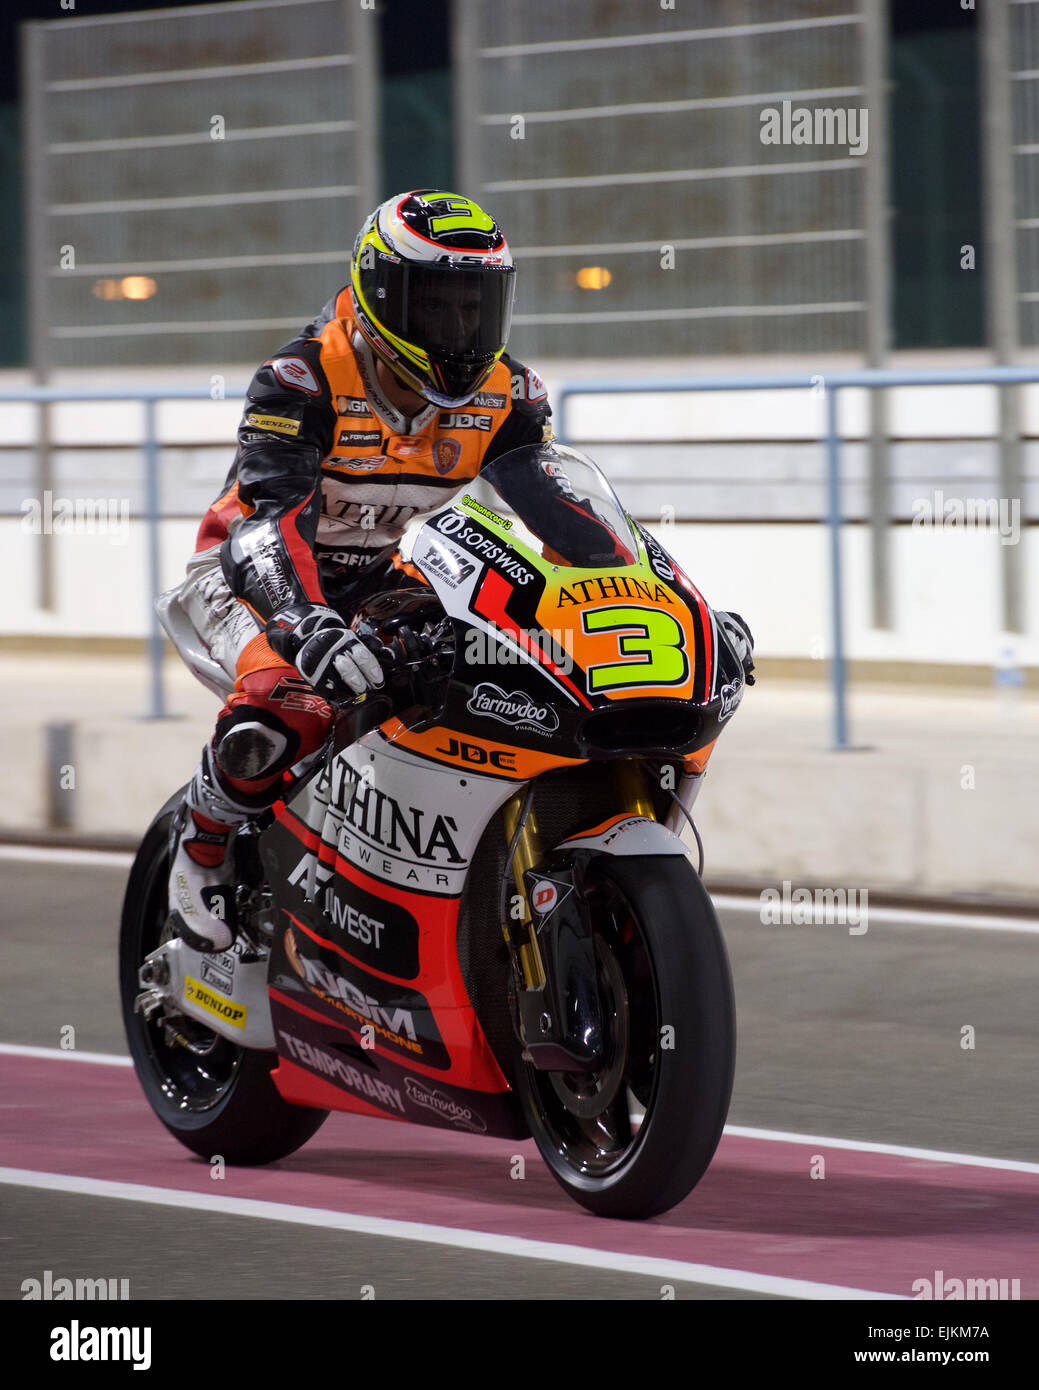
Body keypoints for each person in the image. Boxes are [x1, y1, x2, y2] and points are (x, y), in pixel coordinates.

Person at [167, 189, 555, 953]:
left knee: (500, 674)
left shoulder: (513, 394)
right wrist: (304, 620)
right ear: (378, 294)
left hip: (384, 576)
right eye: (434, 304)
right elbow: (269, 518)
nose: (459, 328)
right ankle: (200, 846)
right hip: (248, 572)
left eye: (475, 306)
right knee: (297, 703)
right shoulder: (302, 378)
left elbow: (559, 516)